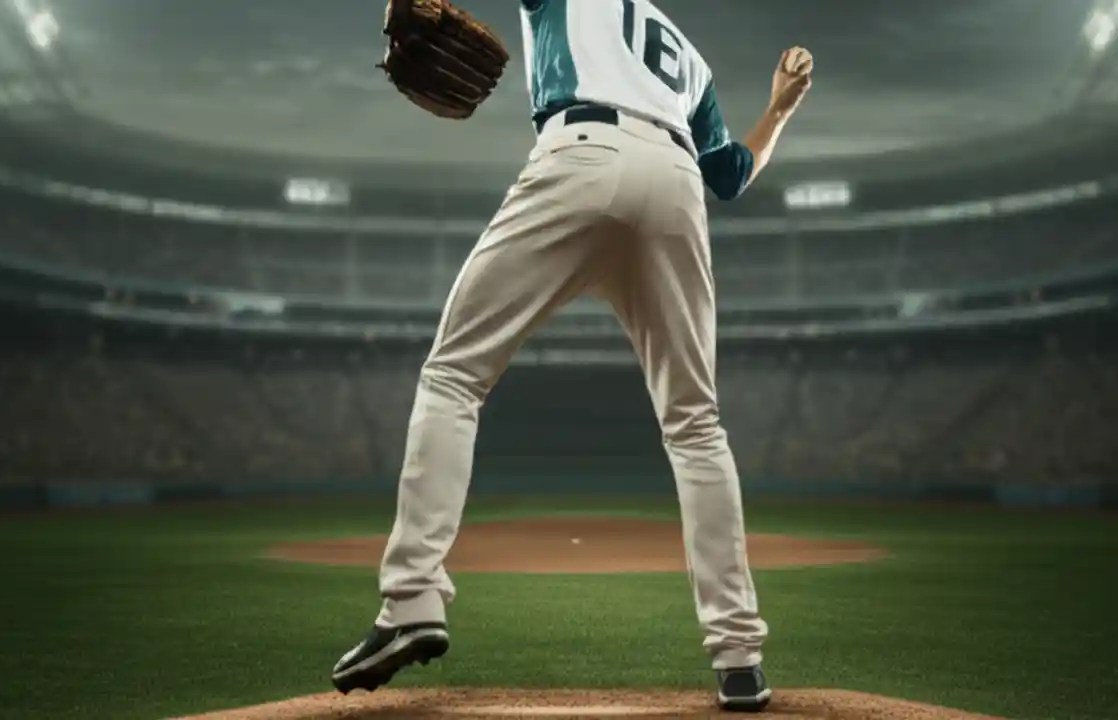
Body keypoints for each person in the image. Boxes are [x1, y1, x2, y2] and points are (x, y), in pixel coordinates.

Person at [333, 0, 813, 711]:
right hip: (676, 188)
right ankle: (740, 659)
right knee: (696, 427)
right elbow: (733, 175)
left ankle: (411, 603)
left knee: (454, 376)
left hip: (581, 153)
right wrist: (778, 110)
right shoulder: (690, 60)